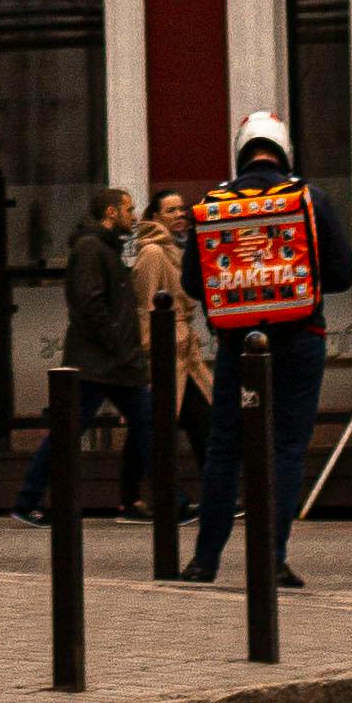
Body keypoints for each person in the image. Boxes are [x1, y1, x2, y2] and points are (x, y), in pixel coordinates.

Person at [180, 109, 352, 592]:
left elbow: (195, 283)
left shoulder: (214, 203)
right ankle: (272, 557)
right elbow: (340, 274)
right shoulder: (310, 199)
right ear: (283, 150)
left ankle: (204, 561)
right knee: (287, 448)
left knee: (224, 448)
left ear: (242, 152)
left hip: (239, 345)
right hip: (300, 340)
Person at [15, 182, 147, 521]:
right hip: (98, 362)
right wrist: (117, 342)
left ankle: (145, 501)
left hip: (110, 362)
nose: (134, 216)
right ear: (111, 212)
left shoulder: (106, 248)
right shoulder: (92, 248)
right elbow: (90, 303)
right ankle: (28, 499)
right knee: (68, 432)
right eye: (129, 209)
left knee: (148, 424)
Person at [133, 188, 213, 486]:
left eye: (182, 209)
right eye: (171, 211)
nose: (180, 215)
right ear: (155, 217)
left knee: (196, 420)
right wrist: (148, 351)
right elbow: (145, 304)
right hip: (165, 351)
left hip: (184, 351)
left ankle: (215, 493)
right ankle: (137, 498)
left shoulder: (181, 248)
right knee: (162, 424)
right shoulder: (153, 252)